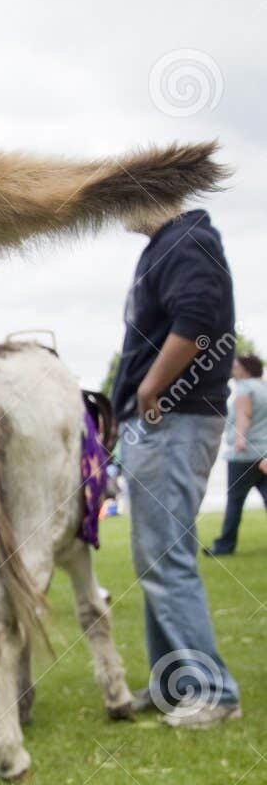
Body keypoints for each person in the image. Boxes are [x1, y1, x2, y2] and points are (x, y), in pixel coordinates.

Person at [112, 203, 240, 727]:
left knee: (167, 556)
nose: (115, 207)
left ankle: (213, 691)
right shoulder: (171, 244)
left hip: (173, 418)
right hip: (165, 420)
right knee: (156, 557)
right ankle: (174, 683)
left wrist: (150, 387)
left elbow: (197, 320)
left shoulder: (186, 240)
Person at [204, 354, 267, 556]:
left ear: (246, 369)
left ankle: (224, 546)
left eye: (237, 366)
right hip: (263, 453)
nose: (233, 369)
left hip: (244, 455)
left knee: (235, 502)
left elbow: (244, 414)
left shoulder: (245, 389)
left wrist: (240, 438)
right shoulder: (264, 388)